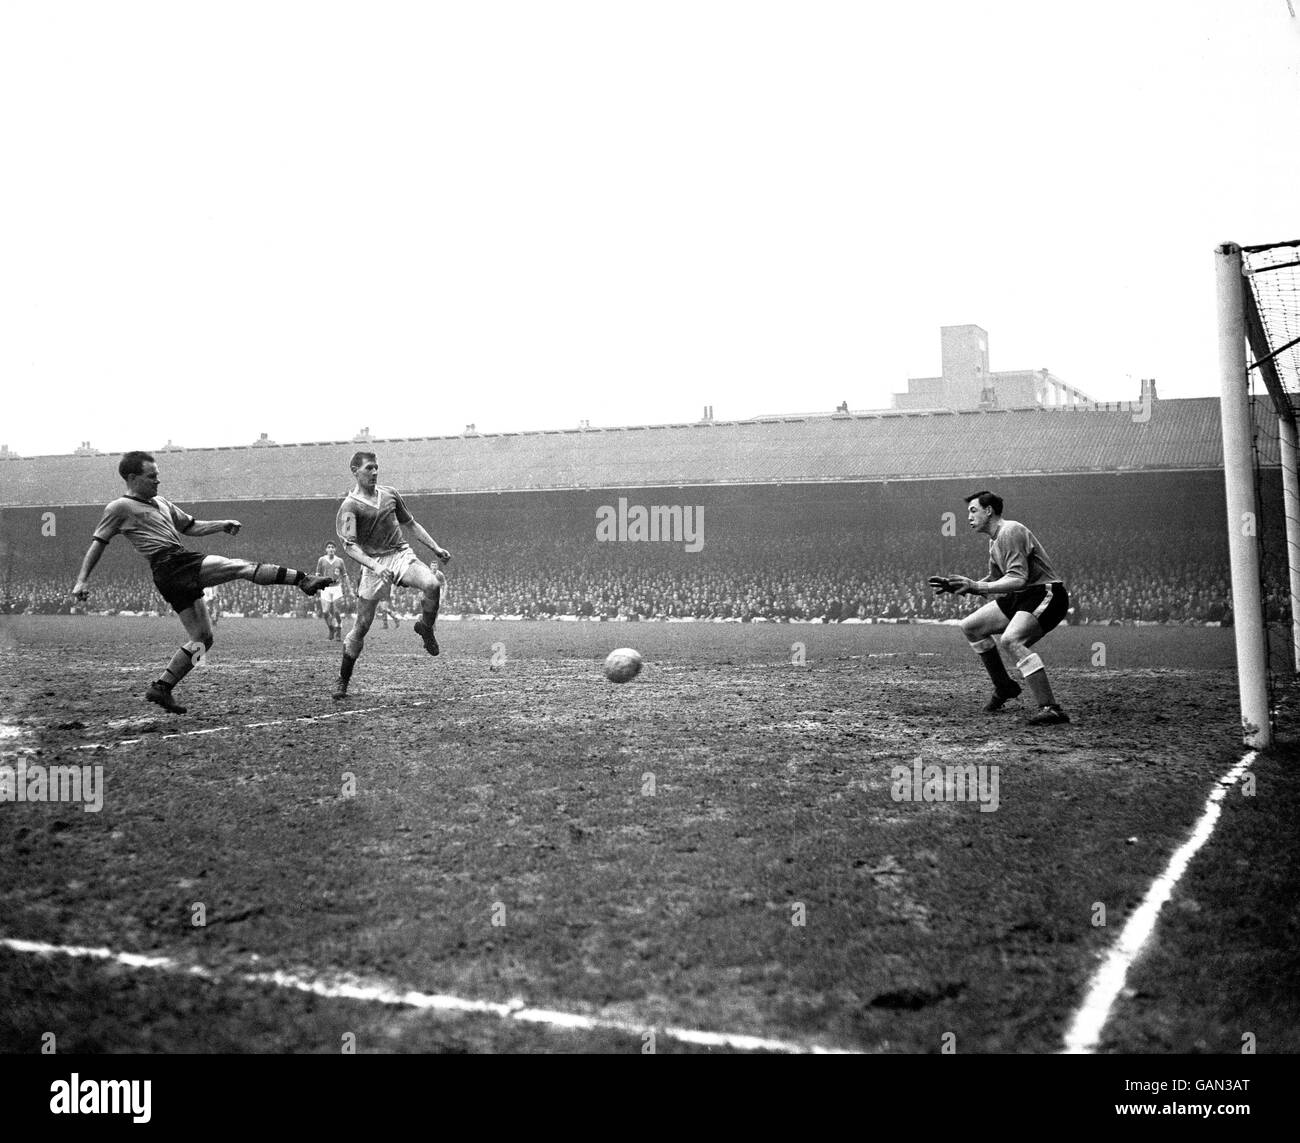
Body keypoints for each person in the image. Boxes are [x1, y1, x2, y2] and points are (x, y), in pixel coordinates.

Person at [72, 451, 334, 714]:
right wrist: (82, 580)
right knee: (240, 567)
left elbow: (190, 526)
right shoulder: (119, 507)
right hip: (170, 563)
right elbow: (99, 542)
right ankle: (303, 579)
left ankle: (163, 687)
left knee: (203, 639)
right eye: (152, 477)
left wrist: (221, 524)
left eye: (158, 476)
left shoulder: (161, 502)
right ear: (132, 478)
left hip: (171, 572)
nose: (157, 481)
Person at [933, 490, 1071, 726]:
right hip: (1021, 595)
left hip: (1045, 592)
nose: (968, 517)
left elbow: (1017, 578)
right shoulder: (994, 540)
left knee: (1012, 640)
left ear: (989, 511)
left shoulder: (1011, 530)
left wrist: (975, 586)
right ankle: (1004, 686)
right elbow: (997, 579)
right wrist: (961, 585)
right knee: (971, 627)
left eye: (973, 510)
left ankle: (1051, 708)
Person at [332, 451, 451, 700]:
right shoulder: (349, 506)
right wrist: (375, 567)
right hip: (372, 564)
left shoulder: (390, 494)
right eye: (368, 468)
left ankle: (425, 628)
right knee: (362, 626)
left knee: (431, 584)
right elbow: (350, 546)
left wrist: (436, 548)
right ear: (355, 470)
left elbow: (411, 525)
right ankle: (343, 679)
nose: (374, 472)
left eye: (376, 467)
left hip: (400, 555)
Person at [315, 542, 353, 641]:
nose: (331, 549)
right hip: (325, 588)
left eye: (332, 547)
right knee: (325, 611)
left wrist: (350, 590)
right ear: (326, 549)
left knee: (336, 612)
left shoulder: (340, 561)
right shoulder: (321, 560)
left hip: (336, 587)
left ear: (335, 549)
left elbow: (345, 576)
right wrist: (316, 587)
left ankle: (339, 628)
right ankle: (331, 629)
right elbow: (317, 575)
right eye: (329, 547)